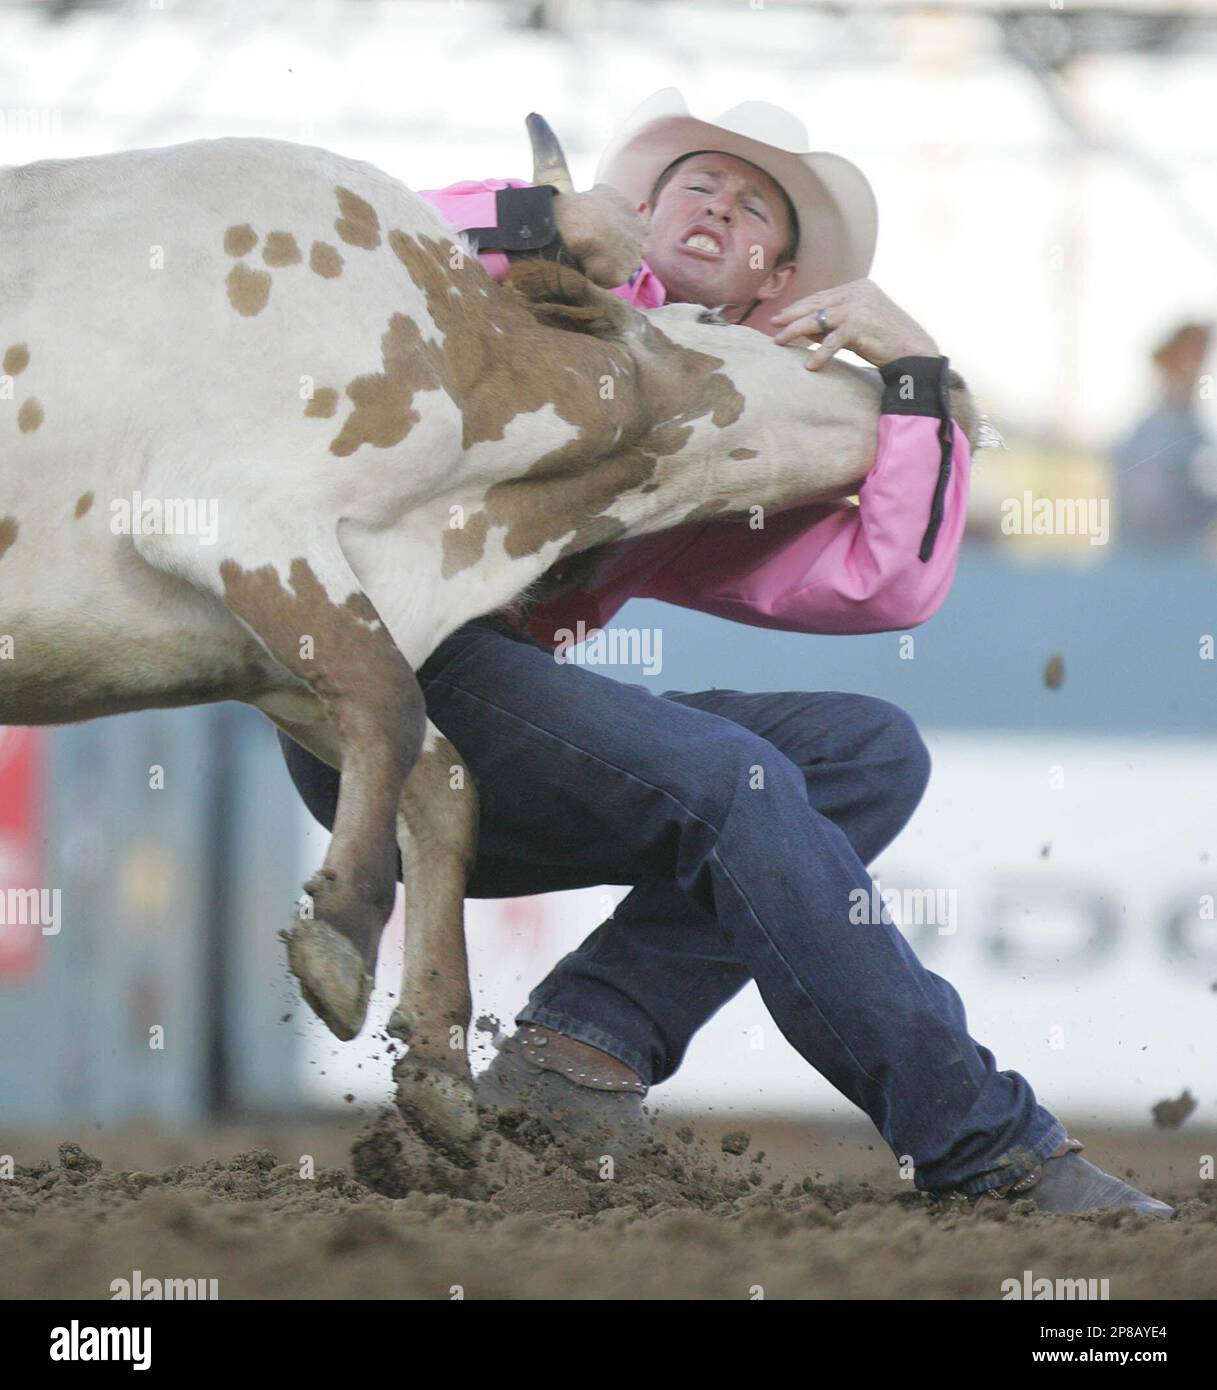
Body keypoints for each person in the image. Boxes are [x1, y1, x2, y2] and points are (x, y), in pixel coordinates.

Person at [279, 90, 1170, 1215]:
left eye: (755, 209)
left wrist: (913, 376)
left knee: (866, 751)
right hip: (376, 684)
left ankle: (584, 1042)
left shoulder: (726, 433)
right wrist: (540, 226)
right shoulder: (534, 264)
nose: (720, 207)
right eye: (699, 183)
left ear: (772, 287)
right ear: (638, 211)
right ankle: (982, 1145)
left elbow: (885, 580)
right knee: (734, 785)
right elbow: (357, 250)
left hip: (493, 728)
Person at [1113, 321, 1217, 549]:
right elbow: (1149, 514)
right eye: (1191, 359)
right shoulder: (1151, 435)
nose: (1197, 371)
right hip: (1155, 563)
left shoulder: (1194, 433)